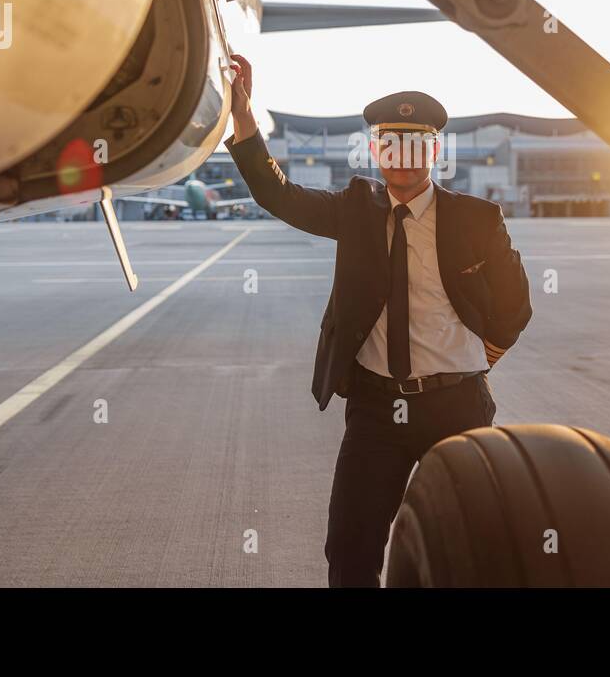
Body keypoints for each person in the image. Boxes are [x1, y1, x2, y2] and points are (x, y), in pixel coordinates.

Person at [225, 54, 533, 587]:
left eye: (416, 144)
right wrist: (243, 116)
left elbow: (516, 303)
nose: (403, 158)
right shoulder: (356, 207)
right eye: (390, 143)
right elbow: (278, 195)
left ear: (434, 151)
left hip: (455, 406)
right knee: (350, 547)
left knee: (471, 549)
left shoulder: (475, 219)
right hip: (375, 408)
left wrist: (481, 360)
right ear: (377, 150)